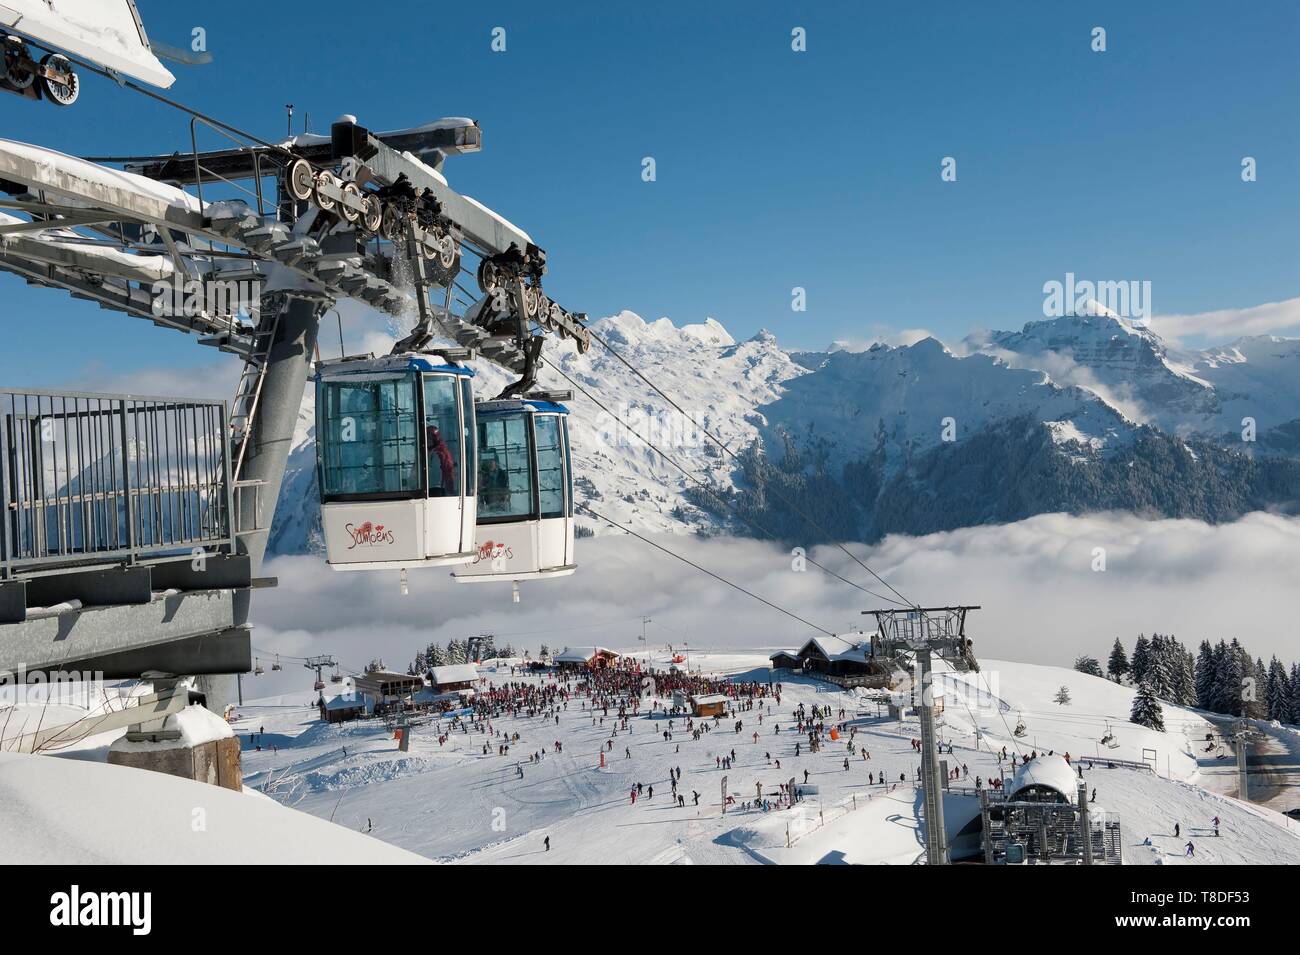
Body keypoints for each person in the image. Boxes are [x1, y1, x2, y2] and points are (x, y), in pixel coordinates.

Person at [426, 424, 456, 495]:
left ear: (435, 439)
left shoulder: (438, 453)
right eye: (426, 438)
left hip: (435, 488)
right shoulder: (431, 452)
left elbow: (435, 473)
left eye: (429, 438)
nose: (427, 441)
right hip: (433, 487)